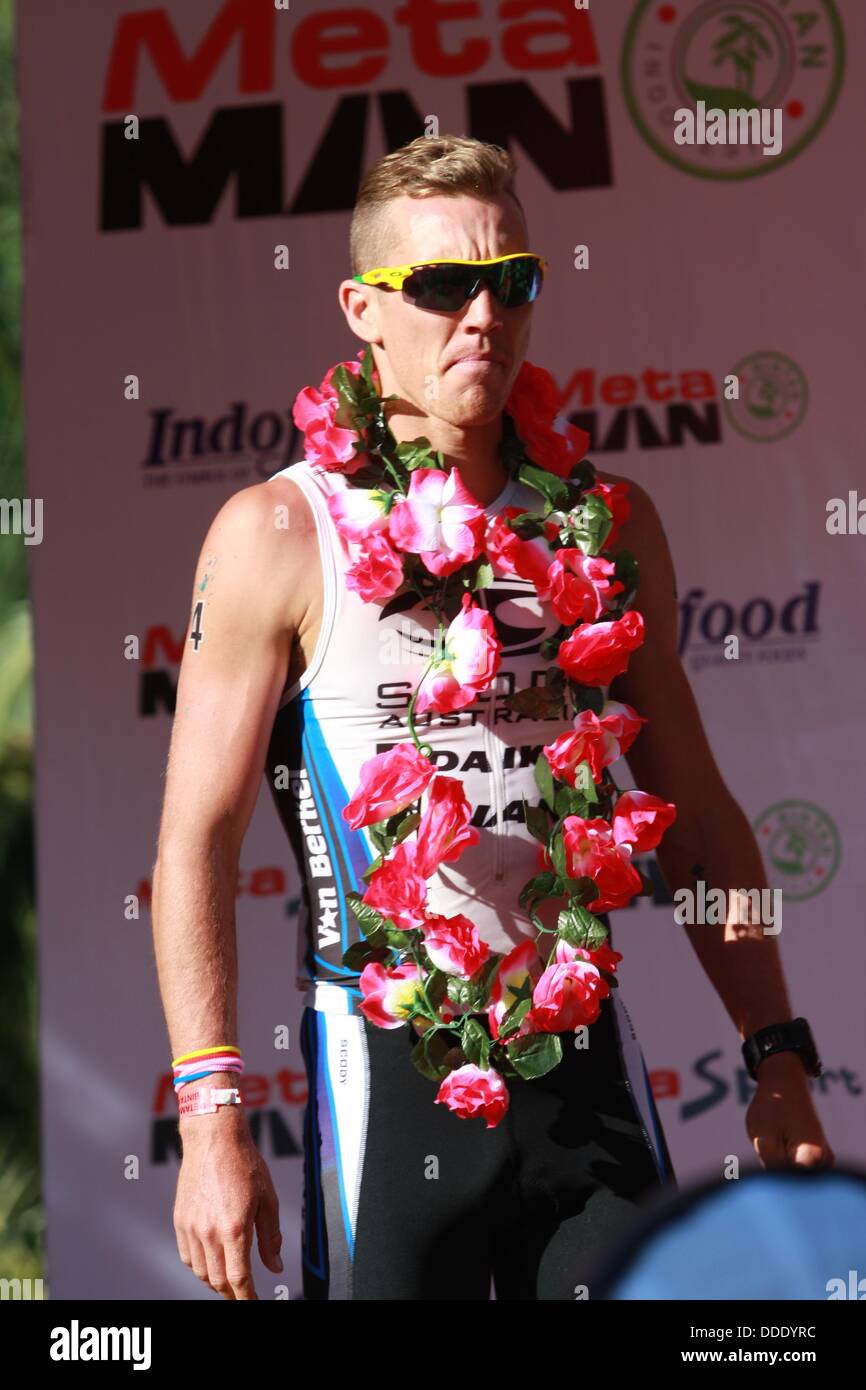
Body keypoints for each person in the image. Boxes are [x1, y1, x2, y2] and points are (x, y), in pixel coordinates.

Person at [151, 135, 834, 1303]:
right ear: (363, 310)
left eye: (510, 279)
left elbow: (697, 812)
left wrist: (774, 1051)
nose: (482, 315)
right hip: (387, 1080)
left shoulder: (603, 520)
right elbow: (193, 843)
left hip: (584, 1076)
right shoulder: (276, 531)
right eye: (442, 287)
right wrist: (212, 1116)